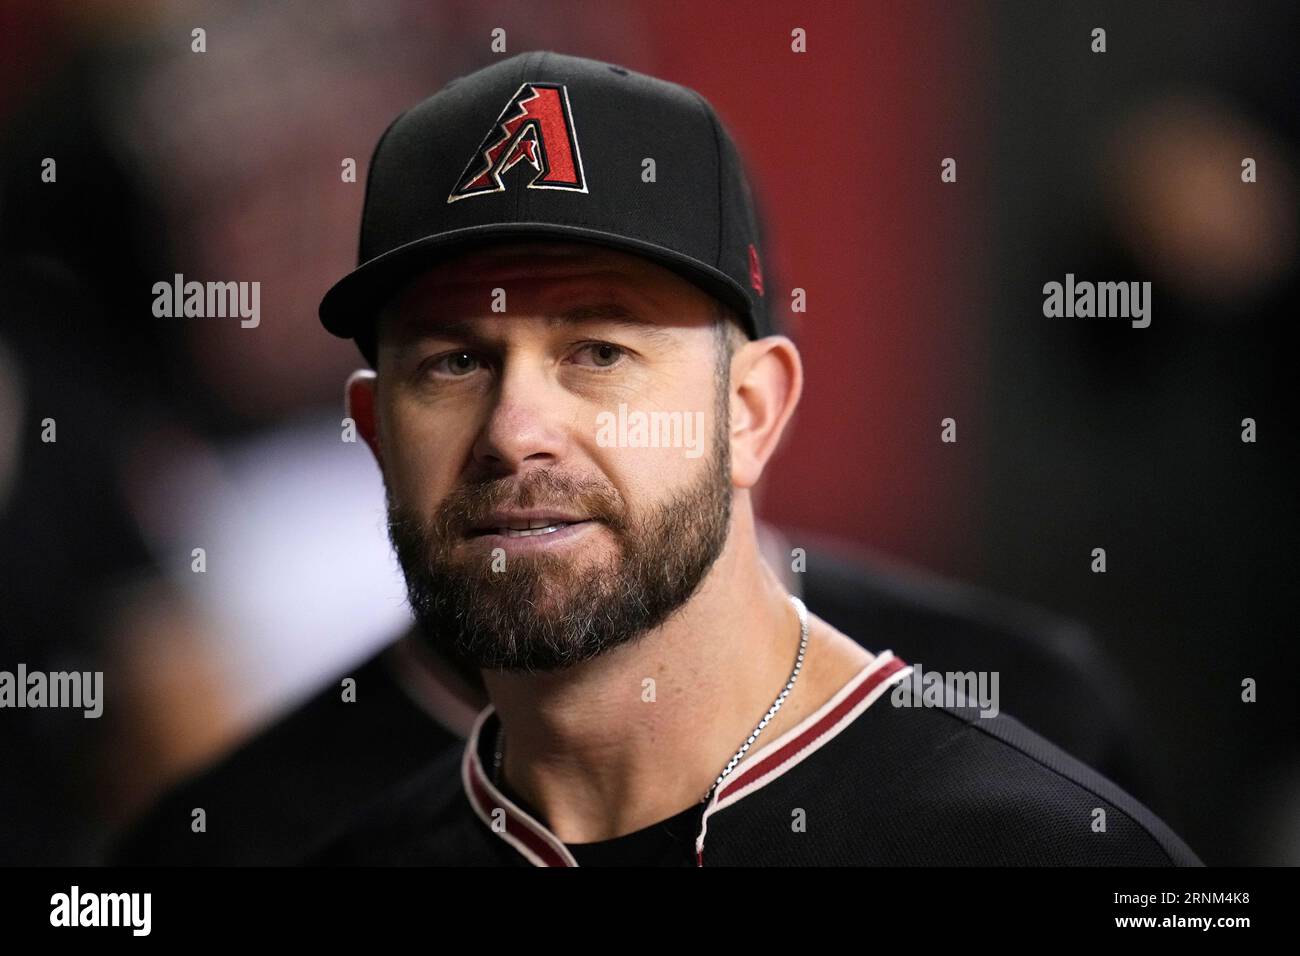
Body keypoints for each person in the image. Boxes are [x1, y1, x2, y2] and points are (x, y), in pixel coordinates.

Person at [295, 51, 1200, 867]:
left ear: (750, 412)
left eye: (599, 350)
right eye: (454, 363)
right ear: (376, 430)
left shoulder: (1036, 852)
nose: (514, 430)